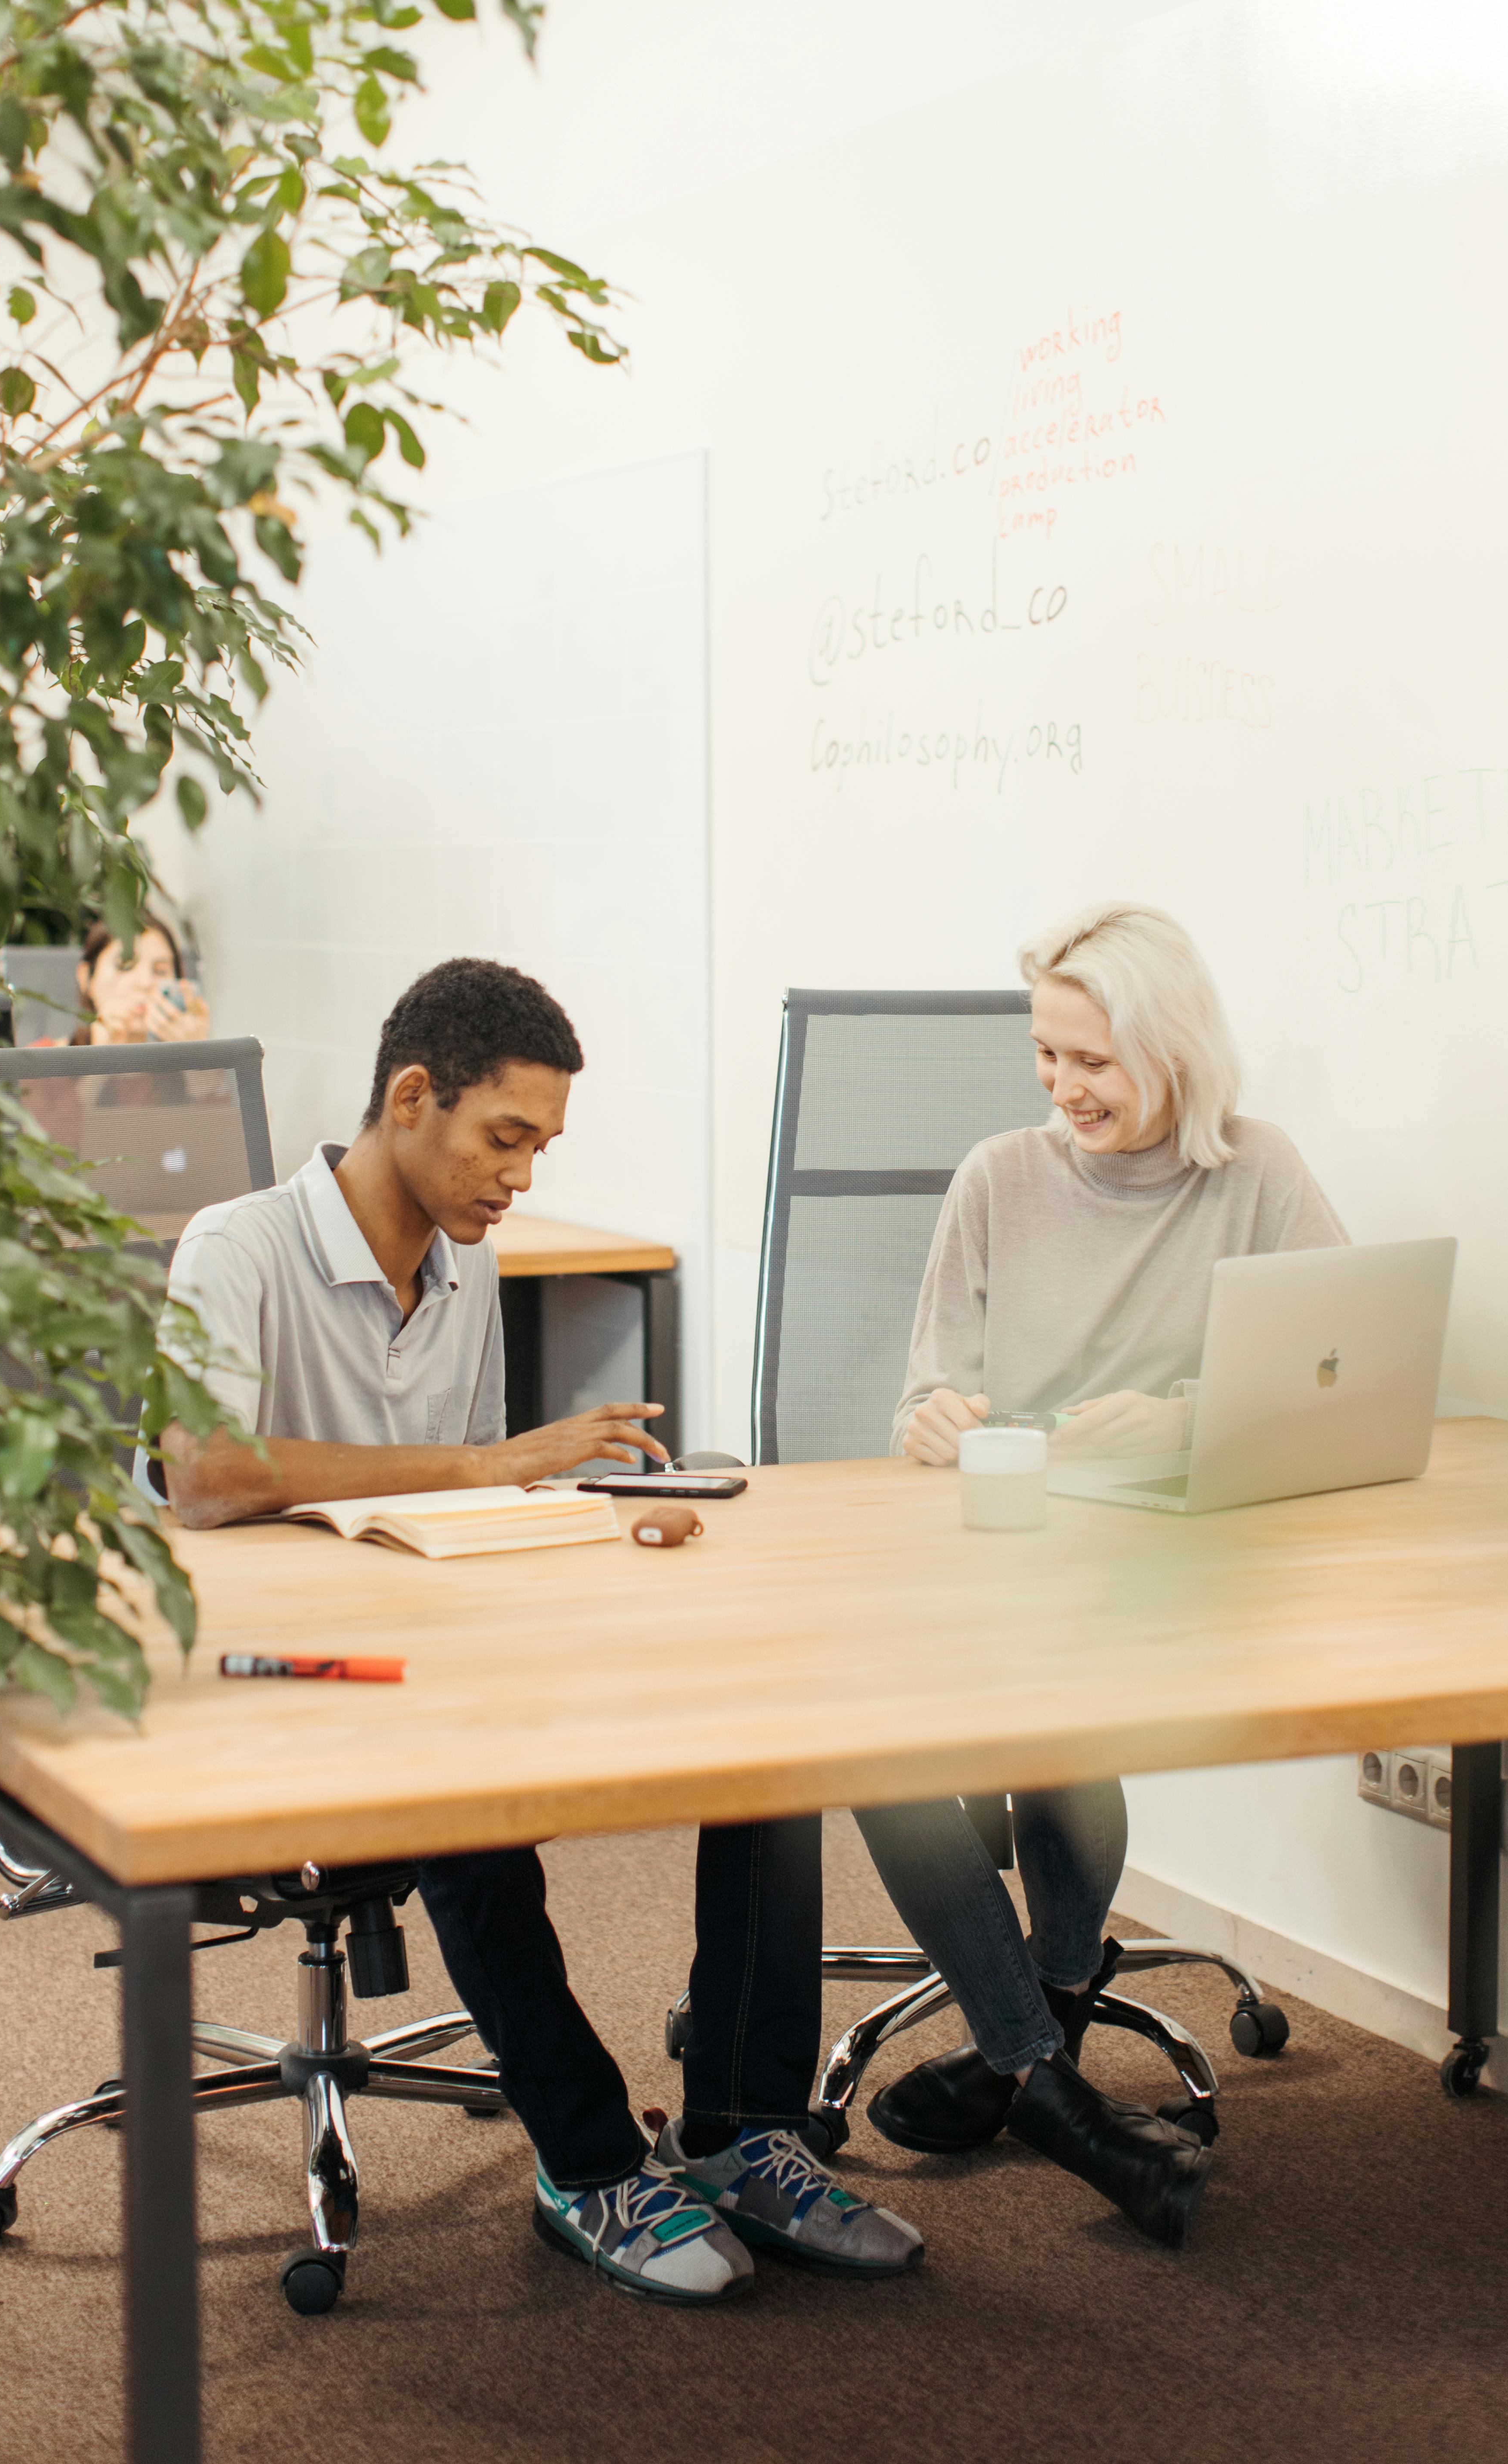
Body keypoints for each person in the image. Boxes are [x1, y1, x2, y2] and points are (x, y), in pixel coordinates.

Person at [160, 955, 922, 2305]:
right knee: (464, 1787)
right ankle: (587, 2160)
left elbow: (469, 1506)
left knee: (768, 1729)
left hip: (429, 1647)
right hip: (268, 1680)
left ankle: (742, 2129)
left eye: (540, 1148)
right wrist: (488, 1467)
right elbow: (204, 1473)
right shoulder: (239, 1246)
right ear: (412, 1097)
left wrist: (588, 1524)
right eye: (504, 1137)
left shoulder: (465, 1266)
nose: (518, 1175)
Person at [853, 902, 1348, 2248]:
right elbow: (921, 1393)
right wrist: (933, 1419)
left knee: (1062, 1712)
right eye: (1045, 1055)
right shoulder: (997, 1177)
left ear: (1175, 1052)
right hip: (1003, 1548)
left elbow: (1339, 1375)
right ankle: (1042, 2064)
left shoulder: (1258, 1173)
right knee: (868, 1739)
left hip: (1173, 1569)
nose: (1062, 1088)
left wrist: (1183, 1420)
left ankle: (1021, 2052)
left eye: (1093, 1060)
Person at [70, 915, 210, 1046]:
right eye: (125, 966)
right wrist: (98, 1058)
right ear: (85, 977)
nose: (145, 982)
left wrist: (196, 1053)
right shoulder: (56, 1057)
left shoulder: (193, 1054)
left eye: (161, 971)